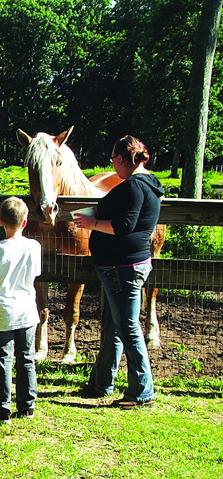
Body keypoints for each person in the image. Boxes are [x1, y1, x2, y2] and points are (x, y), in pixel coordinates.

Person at [74, 136, 162, 408]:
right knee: (114, 324)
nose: (113, 167)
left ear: (123, 159)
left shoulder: (135, 187)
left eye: (114, 161)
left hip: (123, 266)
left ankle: (142, 390)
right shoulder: (147, 185)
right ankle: (102, 381)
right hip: (124, 264)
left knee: (127, 326)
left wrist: (91, 222)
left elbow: (123, 226)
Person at [0, 197, 41, 424]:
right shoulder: (34, 247)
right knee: (27, 358)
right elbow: (35, 274)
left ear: (0, 221)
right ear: (25, 222)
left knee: (3, 359)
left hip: (4, 311)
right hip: (27, 309)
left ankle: (2, 407)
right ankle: (27, 405)